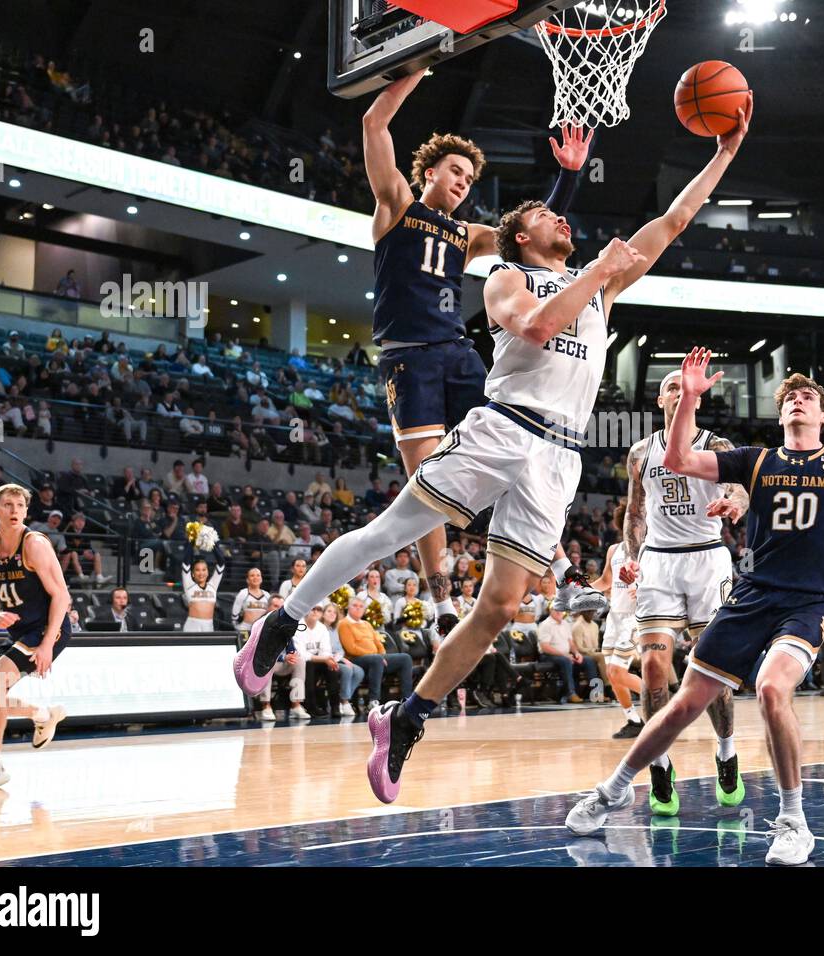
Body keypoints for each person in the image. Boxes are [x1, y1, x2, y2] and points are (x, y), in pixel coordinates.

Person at [236, 94, 751, 806]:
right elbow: (537, 327)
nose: (562, 217)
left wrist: (722, 153)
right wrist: (596, 272)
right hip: (503, 429)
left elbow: (674, 220)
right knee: (394, 531)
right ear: (521, 239)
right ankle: (282, 620)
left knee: (503, 606)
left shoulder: (600, 288)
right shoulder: (508, 278)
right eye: (549, 215)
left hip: (561, 458)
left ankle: (407, 718)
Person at [567, 344, 824, 865]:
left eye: (808, 397)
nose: (798, 401)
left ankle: (793, 821)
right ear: (781, 414)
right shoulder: (756, 460)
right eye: (791, 397)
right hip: (751, 596)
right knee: (685, 701)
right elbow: (679, 459)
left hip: (807, 602)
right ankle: (615, 789)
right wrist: (688, 398)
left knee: (770, 688)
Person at [361, 71, 590, 616]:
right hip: (406, 357)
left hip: (456, 352)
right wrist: (412, 73)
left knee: (514, 445)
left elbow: (525, 235)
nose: (463, 181)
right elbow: (373, 122)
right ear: (429, 171)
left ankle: (563, 570)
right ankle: (440, 603)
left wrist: (567, 179)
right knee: (425, 482)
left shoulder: (469, 236)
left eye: (469, 176)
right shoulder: (396, 206)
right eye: (455, 171)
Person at [617, 368, 749, 813]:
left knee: (711, 670)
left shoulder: (716, 446)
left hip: (707, 558)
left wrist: (734, 503)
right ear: (660, 401)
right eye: (670, 386)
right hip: (658, 561)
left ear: (697, 397)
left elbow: (739, 489)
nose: (678, 391)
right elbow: (635, 512)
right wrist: (632, 555)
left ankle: (726, 752)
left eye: (683, 385)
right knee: (653, 666)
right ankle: (659, 763)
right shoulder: (640, 452)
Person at [0, 485, 73, 791]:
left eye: (20, 505)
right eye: (7, 504)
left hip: (48, 627)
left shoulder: (34, 544)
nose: (15, 510)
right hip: (20, 631)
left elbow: (62, 595)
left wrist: (47, 644)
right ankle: (42, 714)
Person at [587, 504, 644, 738]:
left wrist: (642, 589)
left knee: (616, 671)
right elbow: (605, 581)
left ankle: (664, 702)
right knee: (611, 674)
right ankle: (633, 719)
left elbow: (663, 582)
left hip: (635, 616)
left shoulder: (648, 550)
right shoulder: (614, 550)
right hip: (615, 616)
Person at [181, 556, 224, 632]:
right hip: (192, 626)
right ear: (193, 574)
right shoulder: (189, 585)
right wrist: (192, 544)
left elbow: (221, 563)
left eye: (204, 570)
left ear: (207, 572)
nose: (201, 573)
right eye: (197, 570)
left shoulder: (213, 585)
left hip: (209, 626)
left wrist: (212, 545)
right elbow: (186, 562)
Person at [231, 568, 273, 640]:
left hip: (262, 630)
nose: (255, 578)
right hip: (245, 630)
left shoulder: (267, 595)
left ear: (261, 578)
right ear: (247, 580)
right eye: (252, 575)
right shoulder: (243, 593)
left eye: (258, 575)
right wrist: (238, 628)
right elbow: (234, 615)